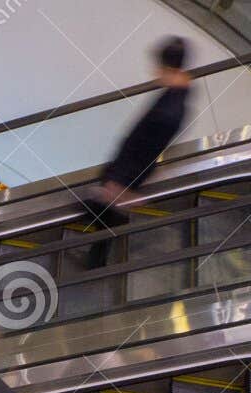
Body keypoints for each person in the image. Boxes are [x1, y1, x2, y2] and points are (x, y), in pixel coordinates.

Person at [80, 38, 192, 269]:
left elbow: (145, 148)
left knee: (105, 212)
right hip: (129, 166)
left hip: (128, 171)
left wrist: (120, 184)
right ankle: (100, 227)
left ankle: (96, 261)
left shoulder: (167, 112)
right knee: (104, 209)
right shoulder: (179, 94)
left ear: (165, 68)